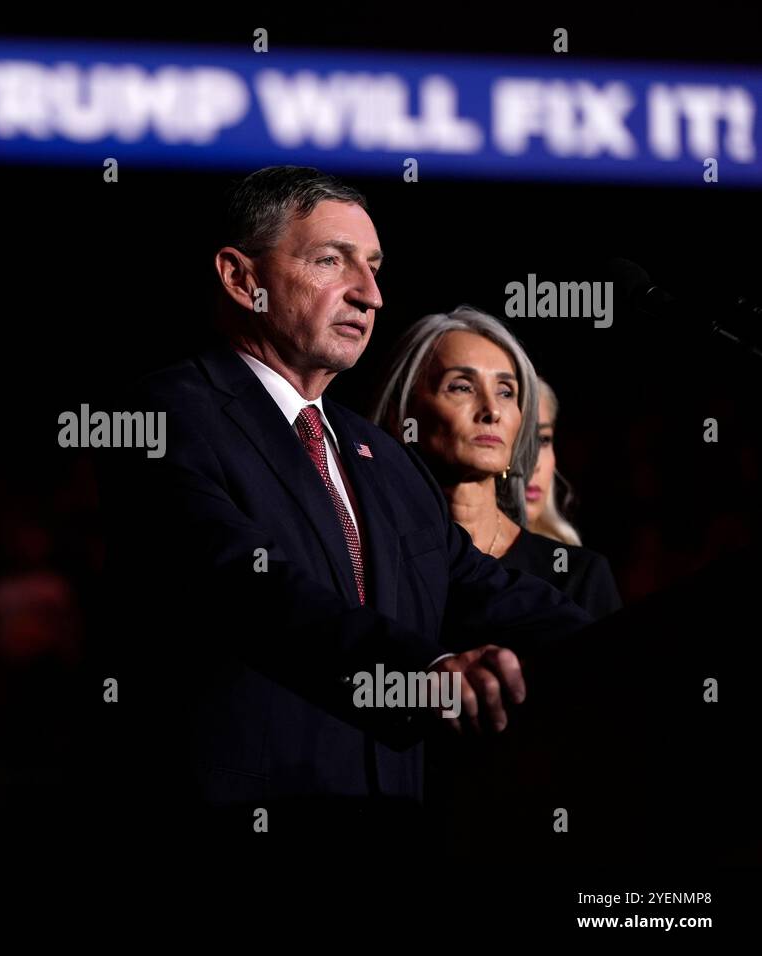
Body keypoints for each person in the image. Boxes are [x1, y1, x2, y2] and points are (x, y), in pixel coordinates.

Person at [95, 166, 592, 842]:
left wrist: (660, 647)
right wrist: (421, 675)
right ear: (243, 279)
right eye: (332, 261)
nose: (371, 294)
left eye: (375, 266)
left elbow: (486, 588)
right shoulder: (165, 416)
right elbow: (251, 593)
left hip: (391, 836)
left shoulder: (384, 459)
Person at [370, 307, 621, 618]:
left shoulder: (578, 576)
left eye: (506, 392)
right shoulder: (370, 562)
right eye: (462, 386)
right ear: (400, 416)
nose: (492, 410)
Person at [526, 378, 582, 546]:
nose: (534, 464)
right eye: (518, 442)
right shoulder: (450, 552)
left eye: (543, 440)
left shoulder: (563, 559)